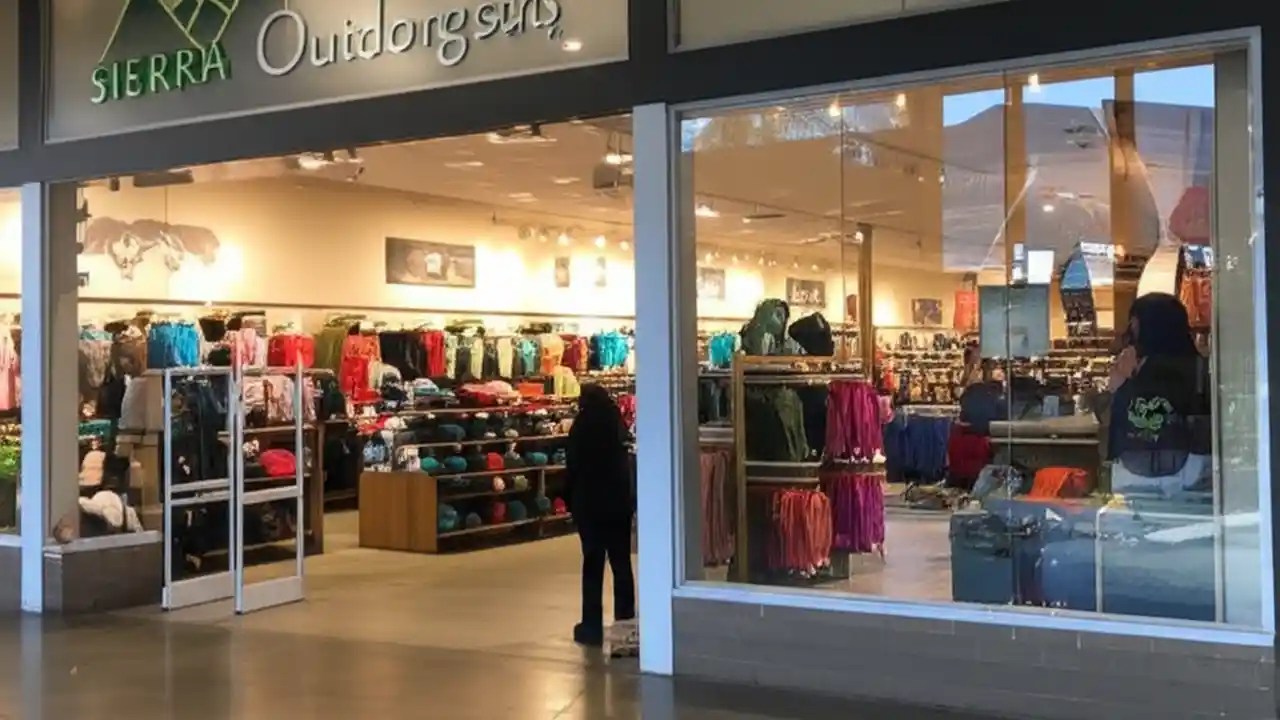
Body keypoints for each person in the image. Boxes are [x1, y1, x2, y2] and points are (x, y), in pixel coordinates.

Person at [1104, 292, 1211, 497]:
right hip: (1192, 468)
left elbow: (1111, 420)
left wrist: (1117, 385)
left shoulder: (1131, 366)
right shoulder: (1199, 367)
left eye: (1134, 322)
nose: (1131, 328)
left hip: (1133, 468)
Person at [564, 384, 636, 646]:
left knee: (592, 566)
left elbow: (572, 466)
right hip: (618, 504)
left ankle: (591, 626)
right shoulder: (616, 422)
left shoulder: (582, 426)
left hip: (591, 505)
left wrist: (570, 500)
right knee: (621, 563)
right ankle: (626, 623)